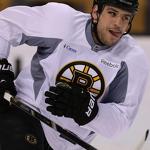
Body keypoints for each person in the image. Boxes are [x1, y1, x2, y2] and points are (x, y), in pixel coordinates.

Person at [0, 0, 149, 149]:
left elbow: (121, 122)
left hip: (69, 143)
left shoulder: (132, 58)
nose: (118, 23)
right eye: (112, 13)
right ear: (96, 12)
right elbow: (4, 23)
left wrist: (91, 111)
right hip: (26, 111)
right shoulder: (61, 21)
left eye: (126, 17)